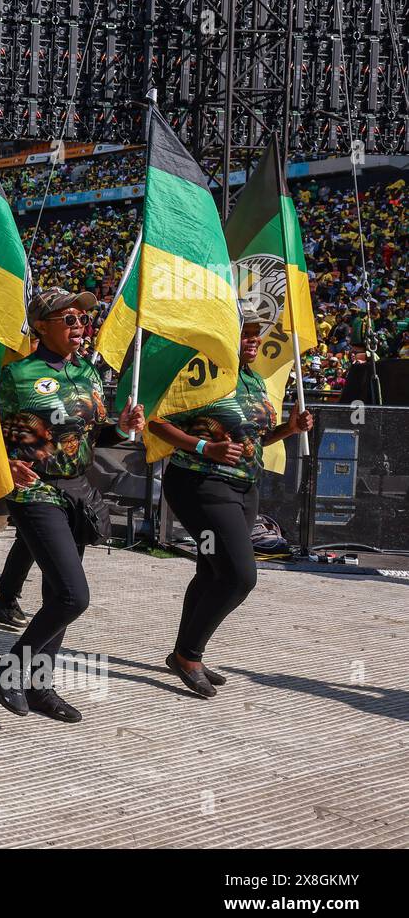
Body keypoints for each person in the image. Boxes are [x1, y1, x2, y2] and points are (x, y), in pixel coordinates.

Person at [0, 287, 144, 724]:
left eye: (83, 320)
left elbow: (92, 437)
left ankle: (39, 685)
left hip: (78, 490)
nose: (81, 327)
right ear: (41, 325)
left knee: (57, 593)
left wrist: (122, 428)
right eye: (69, 319)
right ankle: (8, 669)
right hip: (35, 490)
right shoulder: (15, 375)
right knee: (75, 596)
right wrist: (3, 466)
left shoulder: (88, 374)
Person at [147, 295, 313, 697]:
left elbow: (252, 439)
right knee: (240, 575)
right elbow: (156, 423)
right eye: (246, 331)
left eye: (258, 332)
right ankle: (189, 654)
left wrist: (288, 430)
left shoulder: (254, 379)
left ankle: (183, 654)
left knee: (212, 570)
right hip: (200, 483)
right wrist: (204, 448)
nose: (254, 339)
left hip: (244, 485)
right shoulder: (200, 373)